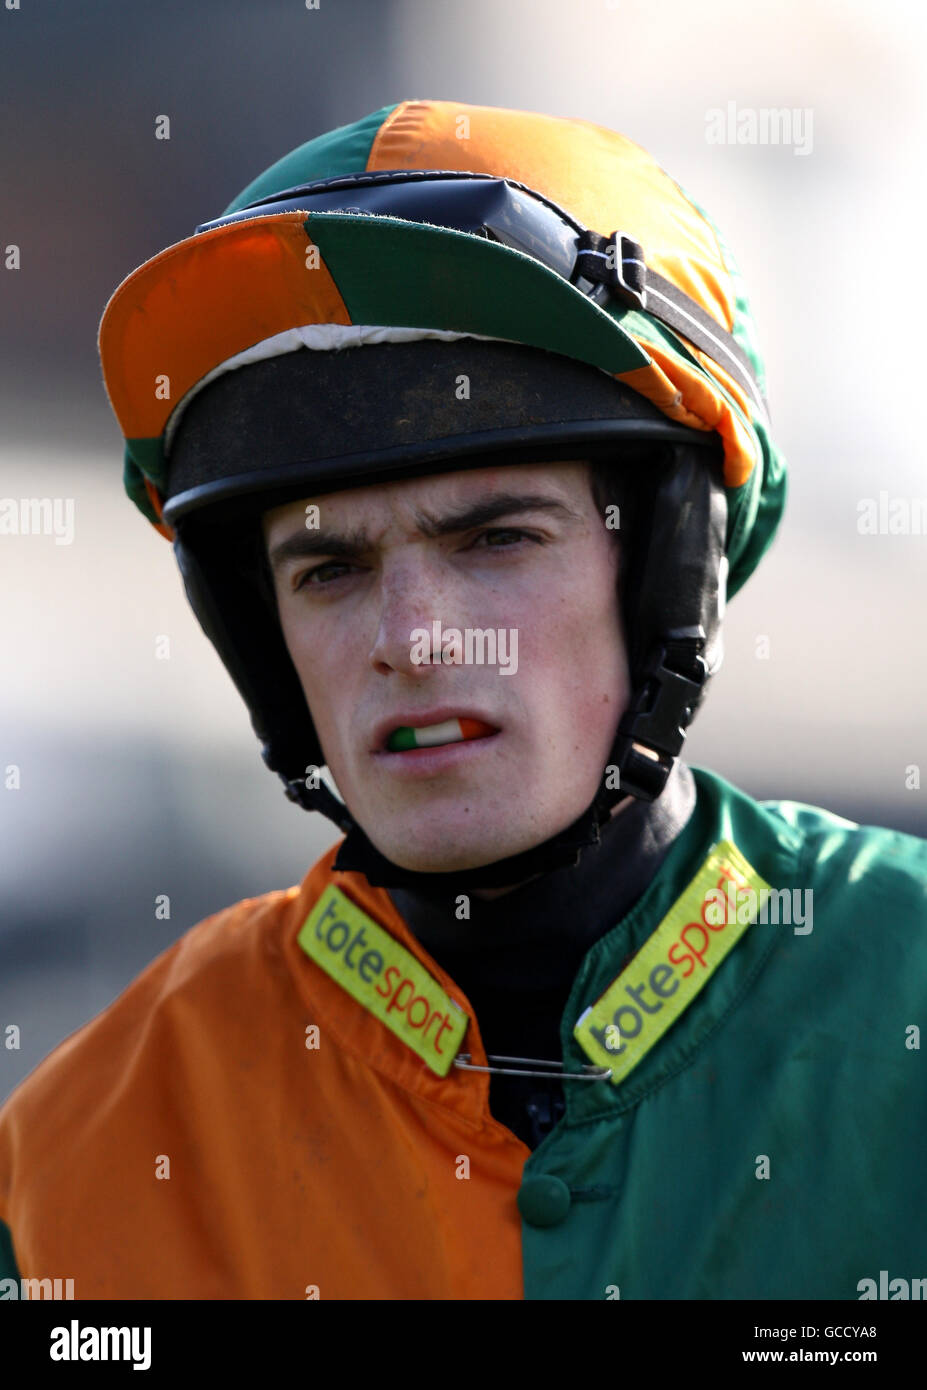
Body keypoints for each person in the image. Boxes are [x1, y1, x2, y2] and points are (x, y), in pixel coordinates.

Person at [1, 99, 925, 1302]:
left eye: (495, 537)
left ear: (663, 572)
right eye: (329, 568)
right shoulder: (76, 1163)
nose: (413, 640)